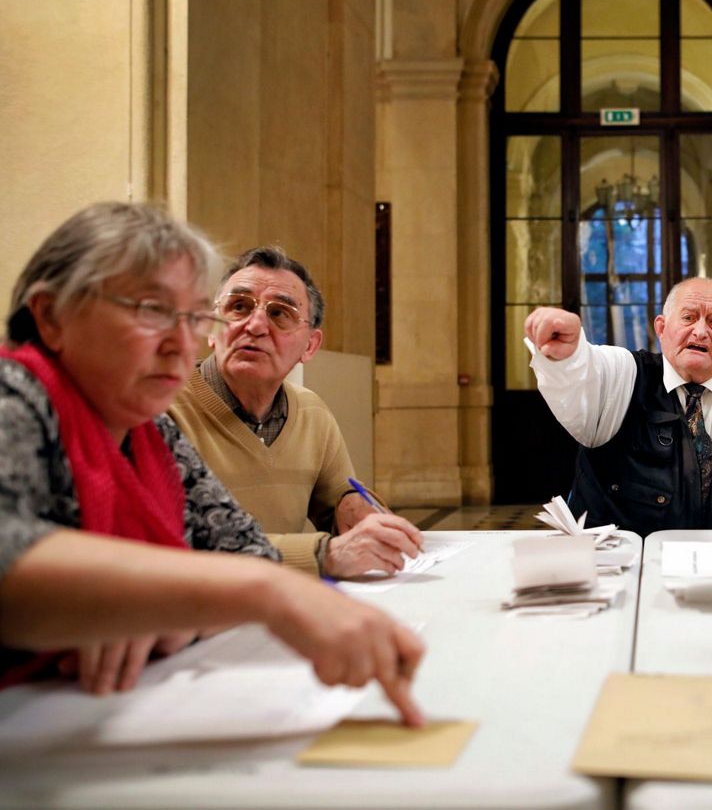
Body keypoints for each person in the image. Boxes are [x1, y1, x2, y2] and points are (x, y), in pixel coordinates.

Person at [0, 202, 423, 723]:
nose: (181, 343)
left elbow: (242, 551)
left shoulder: (150, 433)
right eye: (152, 310)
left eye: (193, 316)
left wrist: (167, 607)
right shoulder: (14, 397)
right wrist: (248, 593)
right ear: (51, 316)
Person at [168, 247, 421, 578]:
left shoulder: (311, 411)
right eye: (239, 307)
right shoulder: (163, 412)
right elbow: (173, 547)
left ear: (310, 346)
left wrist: (350, 503)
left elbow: (340, 497)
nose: (255, 325)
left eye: (279, 313)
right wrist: (322, 555)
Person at [524, 277, 712, 536]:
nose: (700, 331)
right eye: (688, 318)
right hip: (627, 566)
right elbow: (585, 373)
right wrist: (568, 355)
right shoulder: (626, 375)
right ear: (661, 328)